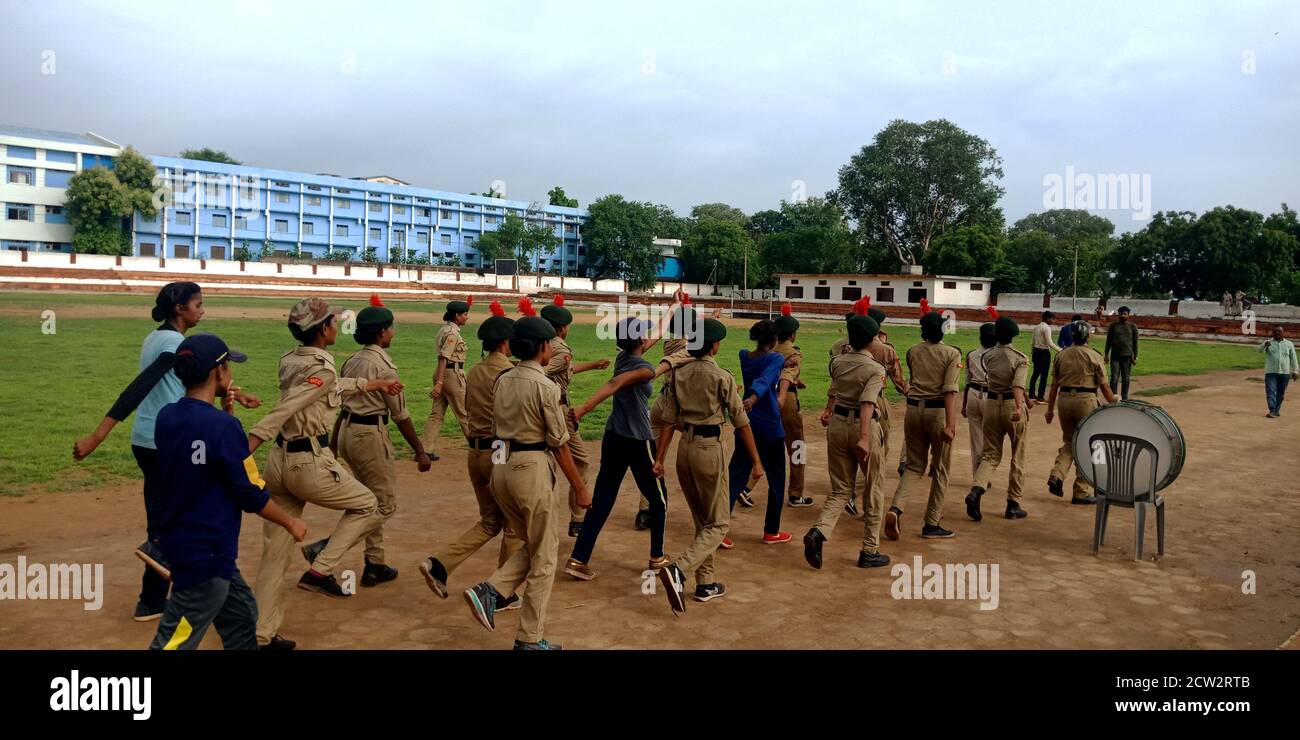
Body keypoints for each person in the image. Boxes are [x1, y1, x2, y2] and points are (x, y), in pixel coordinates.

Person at [71, 282, 260, 622]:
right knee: (183, 513)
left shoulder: (155, 338)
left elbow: (185, 384)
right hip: (167, 441)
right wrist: (96, 437)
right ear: (179, 310)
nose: (202, 310)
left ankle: (153, 599)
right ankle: (164, 576)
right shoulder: (175, 344)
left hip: (152, 438)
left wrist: (235, 394)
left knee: (167, 513)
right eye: (198, 304)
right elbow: (139, 388)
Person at [250, 298, 403, 650]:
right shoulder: (324, 369)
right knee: (370, 504)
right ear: (322, 330)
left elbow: (325, 386)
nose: (338, 324)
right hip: (308, 463)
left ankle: (260, 634)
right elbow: (291, 403)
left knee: (275, 555)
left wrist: (372, 386)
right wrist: (250, 440)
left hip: (279, 462)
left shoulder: (292, 359)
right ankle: (321, 567)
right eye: (333, 321)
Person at [149, 333, 307, 650]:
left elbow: (206, 458)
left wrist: (226, 417)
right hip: (206, 551)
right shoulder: (222, 428)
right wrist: (290, 522)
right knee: (175, 640)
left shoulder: (167, 418)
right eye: (228, 366)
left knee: (241, 619)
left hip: (186, 543)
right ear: (219, 372)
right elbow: (249, 491)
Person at [462, 313, 590, 650]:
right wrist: (579, 487)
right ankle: (528, 638)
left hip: (501, 465)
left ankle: (490, 591)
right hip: (529, 470)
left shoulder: (503, 378)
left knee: (537, 546)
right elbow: (559, 443)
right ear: (544, 348)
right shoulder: (545, 386)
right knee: (546, 558)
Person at [317, 295, 433, 588]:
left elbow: (342, 405)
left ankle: (375, 563)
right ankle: (327, 548)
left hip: (347, 432)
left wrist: (333, 445)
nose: (393, 332)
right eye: (391, 328)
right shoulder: (383, 367)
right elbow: (401, 415)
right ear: (382, 333)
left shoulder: (352, 361)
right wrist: (420, 451)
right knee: (384, 505)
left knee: (369, 499)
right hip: (369, 436)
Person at [653, 318, 764, 612]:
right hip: (709, 450)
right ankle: (679, 570)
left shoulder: (679, 375)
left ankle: (706, 583)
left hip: (684, 451)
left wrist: (660, 458)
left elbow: (667, 420)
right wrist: (755, 460)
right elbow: (742, 423)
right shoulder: (722, 377)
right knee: (718, 523)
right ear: (715, 346)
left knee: (703, 519)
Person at [420, 301, 524, 609]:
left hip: (475, 454)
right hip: (498, 453)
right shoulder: (510, 373)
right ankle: (503, 592)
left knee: (490, 521)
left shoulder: (476, 370)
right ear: (507, 343)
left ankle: (439, 564)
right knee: (515, 525)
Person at [563, 313, 679, 581]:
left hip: (613, 437)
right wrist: (584, 408)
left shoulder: (624, 358)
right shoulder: (644, 369)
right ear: (639, 339)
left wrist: (672, 307)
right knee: (659, 500)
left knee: (603, 499)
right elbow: (615, 384)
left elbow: (655, 335)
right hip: (637, 441)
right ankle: (657, 558)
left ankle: (578, 559)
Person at [804, 313, 890, 569]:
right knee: (874, 487)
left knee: (841, 489)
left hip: (838, 424)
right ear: (872, 340)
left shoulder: (837, 363)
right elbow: (867, 402)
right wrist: (864, 437)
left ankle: (819, 531)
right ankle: (869, 549)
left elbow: (835, 384)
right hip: (863, 426)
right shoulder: (875, 369)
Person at [885, 310, 960, 540]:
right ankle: (931, 522)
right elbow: (949, 391)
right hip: (937, 411)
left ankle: (896, 508)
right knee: (940, 469)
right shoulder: (952, 354)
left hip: (914, 410)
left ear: (922, 331)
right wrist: (951, 424)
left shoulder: (912, 351)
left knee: (914, 466)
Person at [539, 294, 610, 538]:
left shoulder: (542, 342)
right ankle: (578, 518)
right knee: (580, 462)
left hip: (542, 408)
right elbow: (544, 369)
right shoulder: (559, 347)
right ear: (561, 328)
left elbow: (562, 370)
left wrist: (593, 365)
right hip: (558, 411)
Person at [726, 320, 791, 543]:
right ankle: (771, 530)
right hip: (770, 425)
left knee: (735, 475)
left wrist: (750, 399)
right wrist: (753, 397)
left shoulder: (744, 356)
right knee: (776, 479)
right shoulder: (776, 358)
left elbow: (762, 373)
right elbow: (765, 380)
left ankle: (718, 527)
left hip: (747, 423)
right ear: (774, 341)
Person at [966, 317, 1033, 522]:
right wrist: (1021, 407)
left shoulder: (988, 356)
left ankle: (976, 490)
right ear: (1013, 335)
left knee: (990, 454)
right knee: (1017, 454)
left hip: (992, 403)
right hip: (1012, 404)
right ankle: (1013, 503)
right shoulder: (1019, 358)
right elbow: (1017, 386)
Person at [1044, 319, 1115, 503]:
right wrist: (1114, 401)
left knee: (1069, 441)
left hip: (1064, 400)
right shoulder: (1094, 356)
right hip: (1086, 401)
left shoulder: (1061, 355)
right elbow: (1105, 387)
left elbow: (1053, 386)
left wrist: (1050, 409)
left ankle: (1057, 475)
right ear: (1088, 335)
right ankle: (1081, 491)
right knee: (1087, 444)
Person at [423, 297, 473, 457]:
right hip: (450, 375)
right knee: (464, 412)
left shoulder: (444, 330)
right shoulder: (453, 334)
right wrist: (440, 382)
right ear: (457, 316)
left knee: (436, 414)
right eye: (465, 314)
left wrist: (439, 379)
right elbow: (444, 357)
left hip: (441, 373)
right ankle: (476, 447)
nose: (467, 317)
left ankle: (425, 449)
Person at [773, 305, 812, 508]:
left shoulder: (769, 350)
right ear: (793, 335)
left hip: (766, 398)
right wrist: (791, 382)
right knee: (797, 446)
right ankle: (796, 493)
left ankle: (747, 487)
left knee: (767, 445)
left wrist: (798, 381)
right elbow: (786, 375)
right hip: (786, 401)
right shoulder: (794, 353)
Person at [962, 321, 997, 479]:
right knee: (990, 438)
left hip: (973, 394)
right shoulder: (998, 355)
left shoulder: (971, 354)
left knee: (976, 438)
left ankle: (977, 474)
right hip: (991, 396)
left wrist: (964, 404)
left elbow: (968, 382)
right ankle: (984, 476)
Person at [1258, 326, 1299, 418]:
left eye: (1279, 331)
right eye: (1275, 331)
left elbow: (1293, 359)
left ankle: (1276, 410)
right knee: (1271, 391)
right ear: (1272, 332)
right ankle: (1272, 410)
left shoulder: (1289, 344)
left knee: (1281, 393)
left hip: (1284, 373)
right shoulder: (1268, 343)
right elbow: (1259, 350)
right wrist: (1264, 345)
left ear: (1283, 332)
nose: (1277, 332)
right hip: (1271, 372)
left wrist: (1295, 371)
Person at [1104, 306, 1139, 400]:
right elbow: (1108, 341)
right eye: (1121, 314)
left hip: (1127, 356)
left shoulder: (1132, 327)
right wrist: (1106, 354)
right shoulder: (1113, 326)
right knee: (1114, 378)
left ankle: (1124, 398)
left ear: (1128, 315)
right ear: (1118, 314)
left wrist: (1135, 356)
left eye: (1125, 314)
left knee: (1125, 378)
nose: (1123, 315)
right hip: (1115, 356)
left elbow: (1135, 343)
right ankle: (1113, 398)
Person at [1029, 311, 1059, 401]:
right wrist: (1061, 350)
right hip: (1044, 352)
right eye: (1052, 319)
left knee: (1035, 373)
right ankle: (1040, 396)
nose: (1053, 321)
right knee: (1044, 375)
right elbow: (1050, 343)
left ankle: (1031, 393)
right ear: (1047, 318)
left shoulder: (1036, 327)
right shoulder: (1046, 328)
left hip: (1036, 351)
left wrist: (1032, 352)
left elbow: (1032, 342)